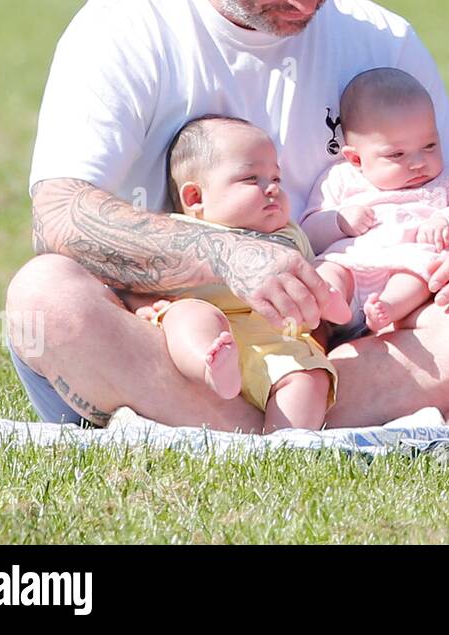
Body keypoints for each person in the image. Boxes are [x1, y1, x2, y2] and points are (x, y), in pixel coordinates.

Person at [5, 0, 449, 432]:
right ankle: (293, 426)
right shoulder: (121, 27)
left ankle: (240, 427)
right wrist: (225, 255)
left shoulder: (384, 41)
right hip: (176, 340)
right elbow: (58, 219)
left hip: (337, 343)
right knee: (46, 298)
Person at [142, 115, 354, 432]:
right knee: (188, 316)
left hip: (275, 342)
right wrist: (140, 303)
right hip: (211, 323)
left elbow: (313, 281)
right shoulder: (180, 233)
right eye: (251, 179)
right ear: (195, 198)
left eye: (276, 179)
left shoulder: (289, 236)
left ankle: (286, 444)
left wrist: (327, 297)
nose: (271, 189)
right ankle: (210, 364)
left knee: (309, 377)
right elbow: (139, 275)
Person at [301, 67, 449, 335]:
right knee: (328, 270)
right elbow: (309, 232)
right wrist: (339, 222)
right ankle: (331, 303)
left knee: (419, 277)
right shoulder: (340, 178)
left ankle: (387, 309)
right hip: (351, 260)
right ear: (356, 159)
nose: (418, 162)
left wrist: (448, 220)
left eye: (429, 146)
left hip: (409, 262)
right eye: (397, 154)